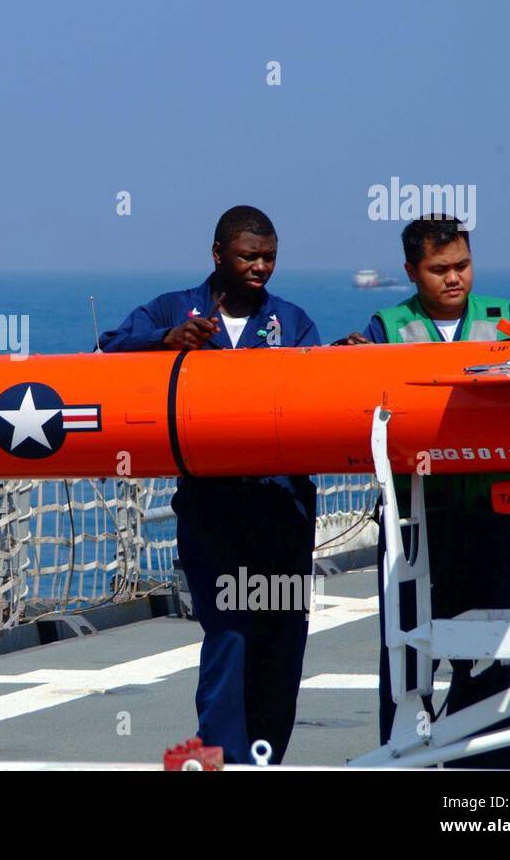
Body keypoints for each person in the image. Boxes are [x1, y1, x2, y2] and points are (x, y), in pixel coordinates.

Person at [338, 214, 510, 768]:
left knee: (489, 657)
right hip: (416, 527)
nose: (454, 278)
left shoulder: (508, 318)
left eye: (462, 265)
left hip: (487, 521)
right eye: (438, 269)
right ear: (412, 272)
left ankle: (480, 786)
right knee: (407, 662)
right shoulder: (384, 328)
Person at [98, 205, 320, 764]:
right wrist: (165, 342)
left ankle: (265, 758)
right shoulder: (173, 310)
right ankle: (224, 754)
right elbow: (106, 352)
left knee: (282, 638)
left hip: (283, 513)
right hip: (211, 512)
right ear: (218, 253)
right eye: (249, 256)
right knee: (228, 635)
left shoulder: (291, 323)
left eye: (269, 257)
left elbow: (319, 389)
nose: (260, 267)